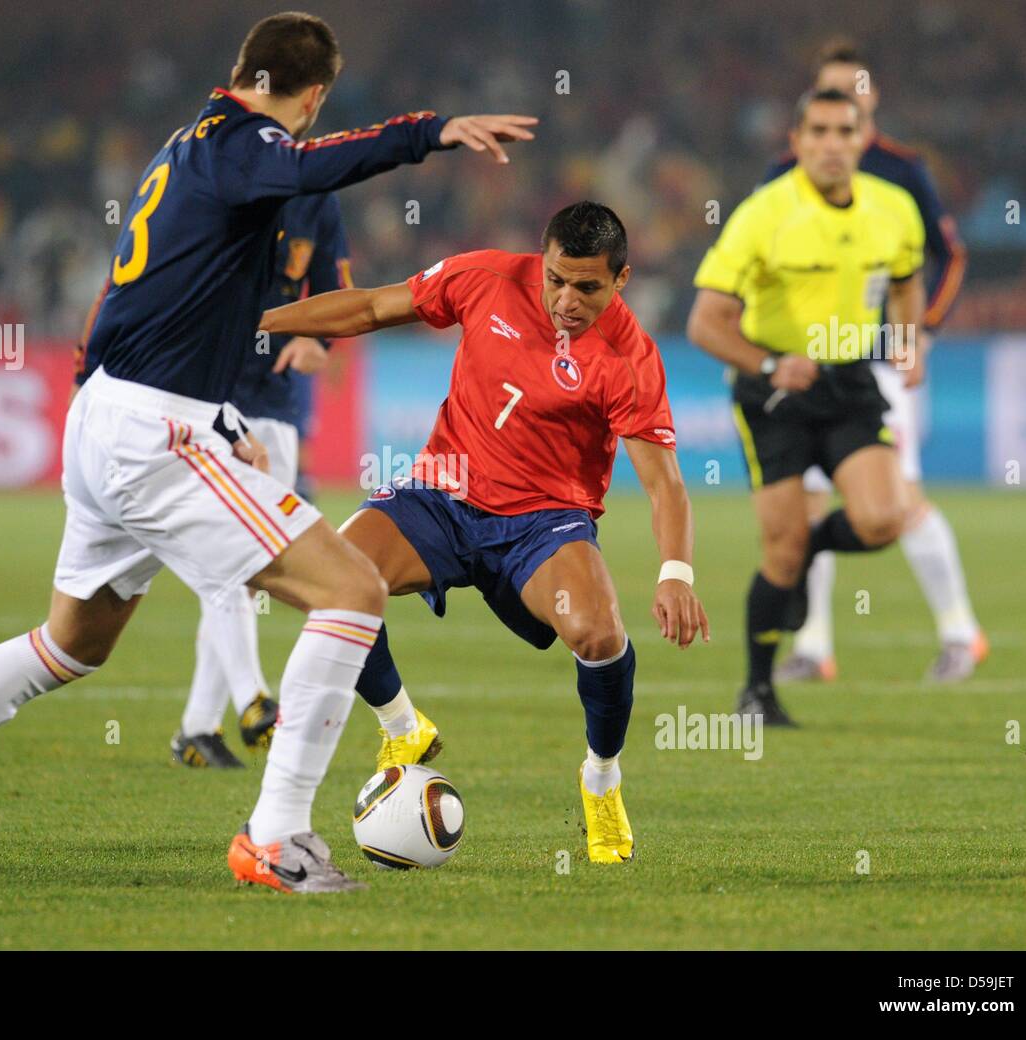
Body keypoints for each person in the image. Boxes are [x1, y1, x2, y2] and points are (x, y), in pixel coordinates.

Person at [0, 11, 536, 894]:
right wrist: (429, 133)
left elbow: (142, 299)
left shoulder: (188, 146)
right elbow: (309, 167)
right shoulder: (244, 142)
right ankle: (276, 834)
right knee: (353, 590)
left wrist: (205, 421)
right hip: (153, 432)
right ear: (312, 97)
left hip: (116, 415)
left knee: (68, 646)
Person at [256, 201, 709, 864]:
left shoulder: (629, 356)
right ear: (542, 260)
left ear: (621, 280)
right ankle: (401, 725)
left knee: (600, 634)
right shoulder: (487, 278)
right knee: (333, 578)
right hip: (440, 492)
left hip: (544, 520)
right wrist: (257, 320)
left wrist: (676, 572)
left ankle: (601, 779)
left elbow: (665, 481)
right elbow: (375, 308)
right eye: (557, 279)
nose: (566, 299)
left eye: (587, 287)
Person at [688, 87, 926, 727]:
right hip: (774, 391)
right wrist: (768, 365)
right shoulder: (763, 215)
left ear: (862, 139)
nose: (830, 144)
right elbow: (705, 324)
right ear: (795, 142)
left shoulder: (894, 209)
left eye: (843, 131)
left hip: (849, 383)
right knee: (781, 552)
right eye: (816, 131)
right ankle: (756, 692)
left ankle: (815, 545)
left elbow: (906, 282)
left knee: (884, 519)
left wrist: (910, 339)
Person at [764, 41, 984, 683]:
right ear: (810, 113)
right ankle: (813, 645)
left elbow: (948, 256)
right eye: (830, 98)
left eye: (854, 94)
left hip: (878, 365)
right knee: (806, 505)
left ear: (872, 100)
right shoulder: (782, 179)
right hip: (805, 368)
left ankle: (960, 632)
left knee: (899, 499)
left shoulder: (899, 173)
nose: (845, 110)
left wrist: (919, 334)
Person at [171, 191, 352, 768]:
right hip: (206, 397)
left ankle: (198, 729)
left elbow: (335, 289)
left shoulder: (318, 201)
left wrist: (317, 339)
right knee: (235, 558)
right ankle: (252, 702)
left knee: (245, 568)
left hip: (275, 407)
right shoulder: (221, 182)